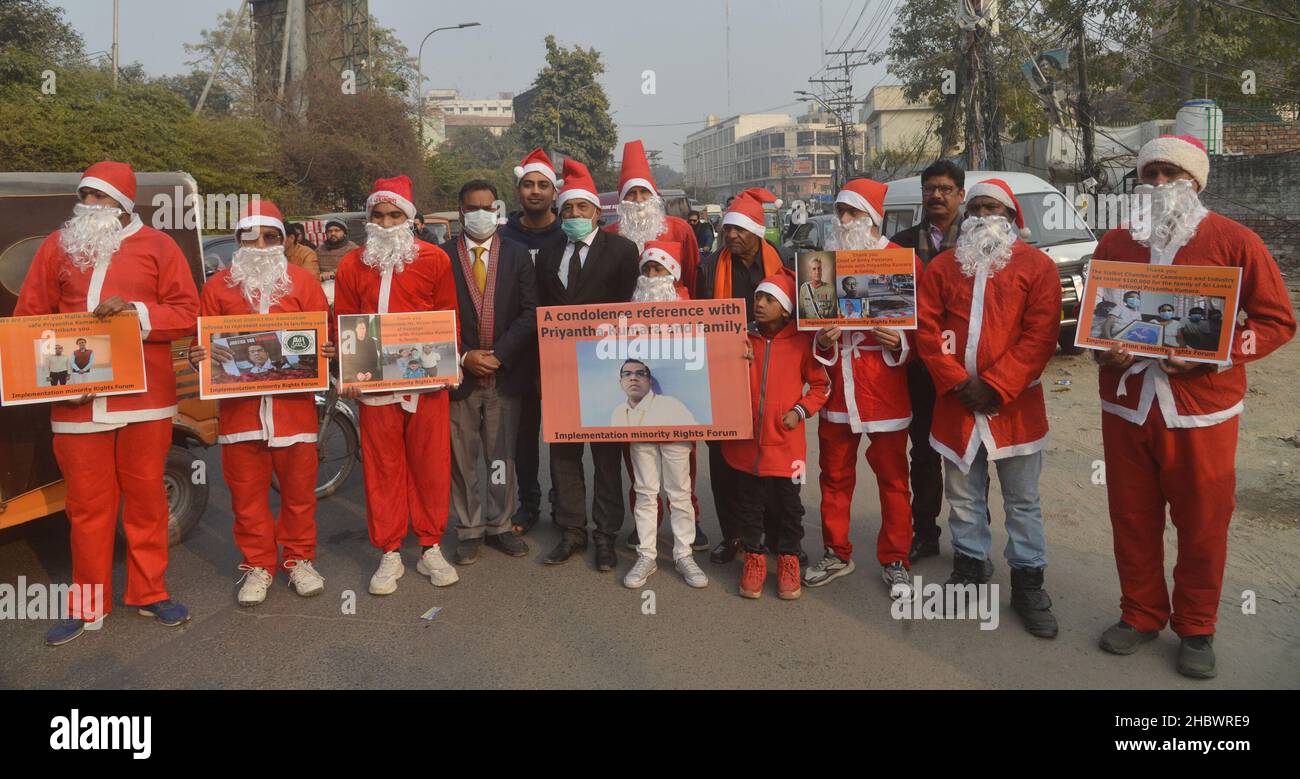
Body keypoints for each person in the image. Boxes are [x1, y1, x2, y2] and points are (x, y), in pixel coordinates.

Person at [1092, 135, 1295, 678]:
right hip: (1127, 404)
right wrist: (1102, 350)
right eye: (1150, 173)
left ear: (1196, 181)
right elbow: (1098, 321)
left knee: (1203, 523)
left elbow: (1277, 321)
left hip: (1201, 409)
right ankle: (1139, 614)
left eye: (1171, 173)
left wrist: (1213, 359)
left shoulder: (1235, 240)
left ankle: (1197, 626)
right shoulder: (1115, 242)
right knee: (1131, 517)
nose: (1159, 184)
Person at [18, 161, 199, 646]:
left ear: (124, 202)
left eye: (100, 198)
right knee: (86, 506)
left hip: (146, 401)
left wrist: (137, 312)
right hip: (78, 403)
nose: (90, 206)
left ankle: (149, 592)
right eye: (85, 197)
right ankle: (86, 604)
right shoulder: (58, 247)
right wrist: (48, 376)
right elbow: (29, 316)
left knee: (146, 501)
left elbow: (187, 313)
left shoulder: (160, 247)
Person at [916, 178, 1061, 639]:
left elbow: (1041, 335)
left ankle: (1028, 582)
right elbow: (925, 328)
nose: (981, 216)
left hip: (1014, 407)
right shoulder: (942, 267)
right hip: (957, 405)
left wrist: (996, 385)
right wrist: (958, 382)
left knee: (1022, 501)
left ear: (1011, 218)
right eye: (975, 208)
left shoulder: (1037, 267)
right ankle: (971, 565)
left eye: (991, 208)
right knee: (962, 495)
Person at [188, 200, 331, 606]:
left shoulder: (303, 284)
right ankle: (258, 565)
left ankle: (299, 560)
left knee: (299, 492)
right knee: (246, 495)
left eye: (271, 236)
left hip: (294, 411)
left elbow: (322, 336)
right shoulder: (217, 287)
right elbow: (203, 346)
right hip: (240, 414)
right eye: (252, 236)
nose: (261, 244)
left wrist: (327, 351)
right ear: (238, 240)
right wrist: (199, 355)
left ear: (283, 241)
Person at [334, 175, 462, 595]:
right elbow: (347, 323)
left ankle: (429, 546)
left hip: (426, 382)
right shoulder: (353, 264)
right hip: (374, 387)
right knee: (383, 468)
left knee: (430, 465)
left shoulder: (434, 260)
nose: (386, 222)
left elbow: (448, 315)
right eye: (378, 215)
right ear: (368, 219)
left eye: (394, 215)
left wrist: (450, 365)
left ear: (409, 218)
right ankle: (389, 552)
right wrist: (347, 373)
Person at [806, 179, 920, 600]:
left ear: (871, 217)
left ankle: (896, 559)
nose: (844, 220)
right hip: (837, 389)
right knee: (833, 477)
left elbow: (923, 327)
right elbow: (808, 331)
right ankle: (837, 551)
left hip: (883, 389)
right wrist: (821, 340)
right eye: (840, 212)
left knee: (893, 479)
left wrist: (901, 344)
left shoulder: (899, 261)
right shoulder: (823, 266)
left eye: (852, 212)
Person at [535, 158, 640, 571]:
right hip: (561, 370)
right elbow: (541, 309)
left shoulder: (622, 250)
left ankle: (606, 534)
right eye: (567, 210)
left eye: (582, 209)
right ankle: (572, 530)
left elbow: (633, 311)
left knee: (607, 457)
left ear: (598, 212)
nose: (574, 216)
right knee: (563, 455)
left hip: (605, 369)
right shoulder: (546, 253)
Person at [440, 178, 536, 565]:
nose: (481, 214)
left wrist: (499, 354)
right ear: (461, 211)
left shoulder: (516, 255)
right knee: (462, 459)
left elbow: (530, 312)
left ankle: (500, 524)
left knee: (500, 457)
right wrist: (464, 356)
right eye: (472, 207)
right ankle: (469, 529)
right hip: (460, 375)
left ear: (497, 209)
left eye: (487, 207)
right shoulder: (441, 256)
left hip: (504, 373)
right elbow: (432, 317)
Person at [695, 188, 790, 565]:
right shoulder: (709, 266)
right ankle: (733, 535)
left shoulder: (782, 263)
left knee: (770, 457)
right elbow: (697, 318)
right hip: (722, 373)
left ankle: (770, 534)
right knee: (723, 460)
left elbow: (794, 315)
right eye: (727, 229)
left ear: (757, 230)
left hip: (770, 370)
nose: (731, 235)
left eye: (739, 229)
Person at [725, 270, 830, 600]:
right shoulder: (742, 339)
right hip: (747, 446)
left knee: (790, 506)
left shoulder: (801, 343)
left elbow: (820, 386)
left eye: (769, 299)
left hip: (788, 447)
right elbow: (721, 376)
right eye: (758, 297)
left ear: (785, 309)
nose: (759, 304)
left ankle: (788, 558)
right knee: (750, 506)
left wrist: (799, 411)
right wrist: (734, 362)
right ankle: (754, 558)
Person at [621, 243, 710, 591]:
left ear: (673, 273)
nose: (652, 277)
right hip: (639, 416)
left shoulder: (691, 310)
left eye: (659, 270)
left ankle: (684, 552)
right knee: (644, 488)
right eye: (647, 270)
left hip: (676, 416)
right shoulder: (627, 311)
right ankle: (646, 553)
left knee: (680, 489)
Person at [892, 160, 967, 561]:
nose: (936, 195)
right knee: (922, 453)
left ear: (960, 195)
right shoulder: (900, 245)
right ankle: (925, 531)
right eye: (929, 189)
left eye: (945, 188)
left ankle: (972, 539)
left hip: (963, 369)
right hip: (918, 365)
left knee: (967, 453)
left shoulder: (977, 241)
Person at [499, 148, 567, 535]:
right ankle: (528, 503)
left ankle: (564, 502)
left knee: (561, 432)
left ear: (554, 192)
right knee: (523, 435)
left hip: (561, 352)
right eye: (528, 184)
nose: (535, 191)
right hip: (519, 351)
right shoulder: (504, 235)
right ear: (518, 189)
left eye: (543, 185)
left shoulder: (568, 232)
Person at [604, 140, 700, 292]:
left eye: (644, 192)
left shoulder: (680, 229)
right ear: (622, 200)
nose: (639, 199)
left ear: (654, 196)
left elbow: (693, 278)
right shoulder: (608, 235)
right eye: (631, 193)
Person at [340, 316, 381, 383]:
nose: (361, 330)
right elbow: (347, 363)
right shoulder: (350, 342)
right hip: (355, 374)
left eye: (363, 328)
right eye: (359, 328)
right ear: (356, 329)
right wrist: (356, 374)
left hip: (369, 373)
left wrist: (371, 373)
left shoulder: (371, 341)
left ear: (365, 329)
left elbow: (374, 361)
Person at [797, 255, 837, 319]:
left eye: (819, 269)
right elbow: (801, 312)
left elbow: (834, 312)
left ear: (821, 270)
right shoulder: (804, 288)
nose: (817, 272)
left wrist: (825, 312)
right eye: (814, 269)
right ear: (810, 272)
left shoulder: (830, 289)